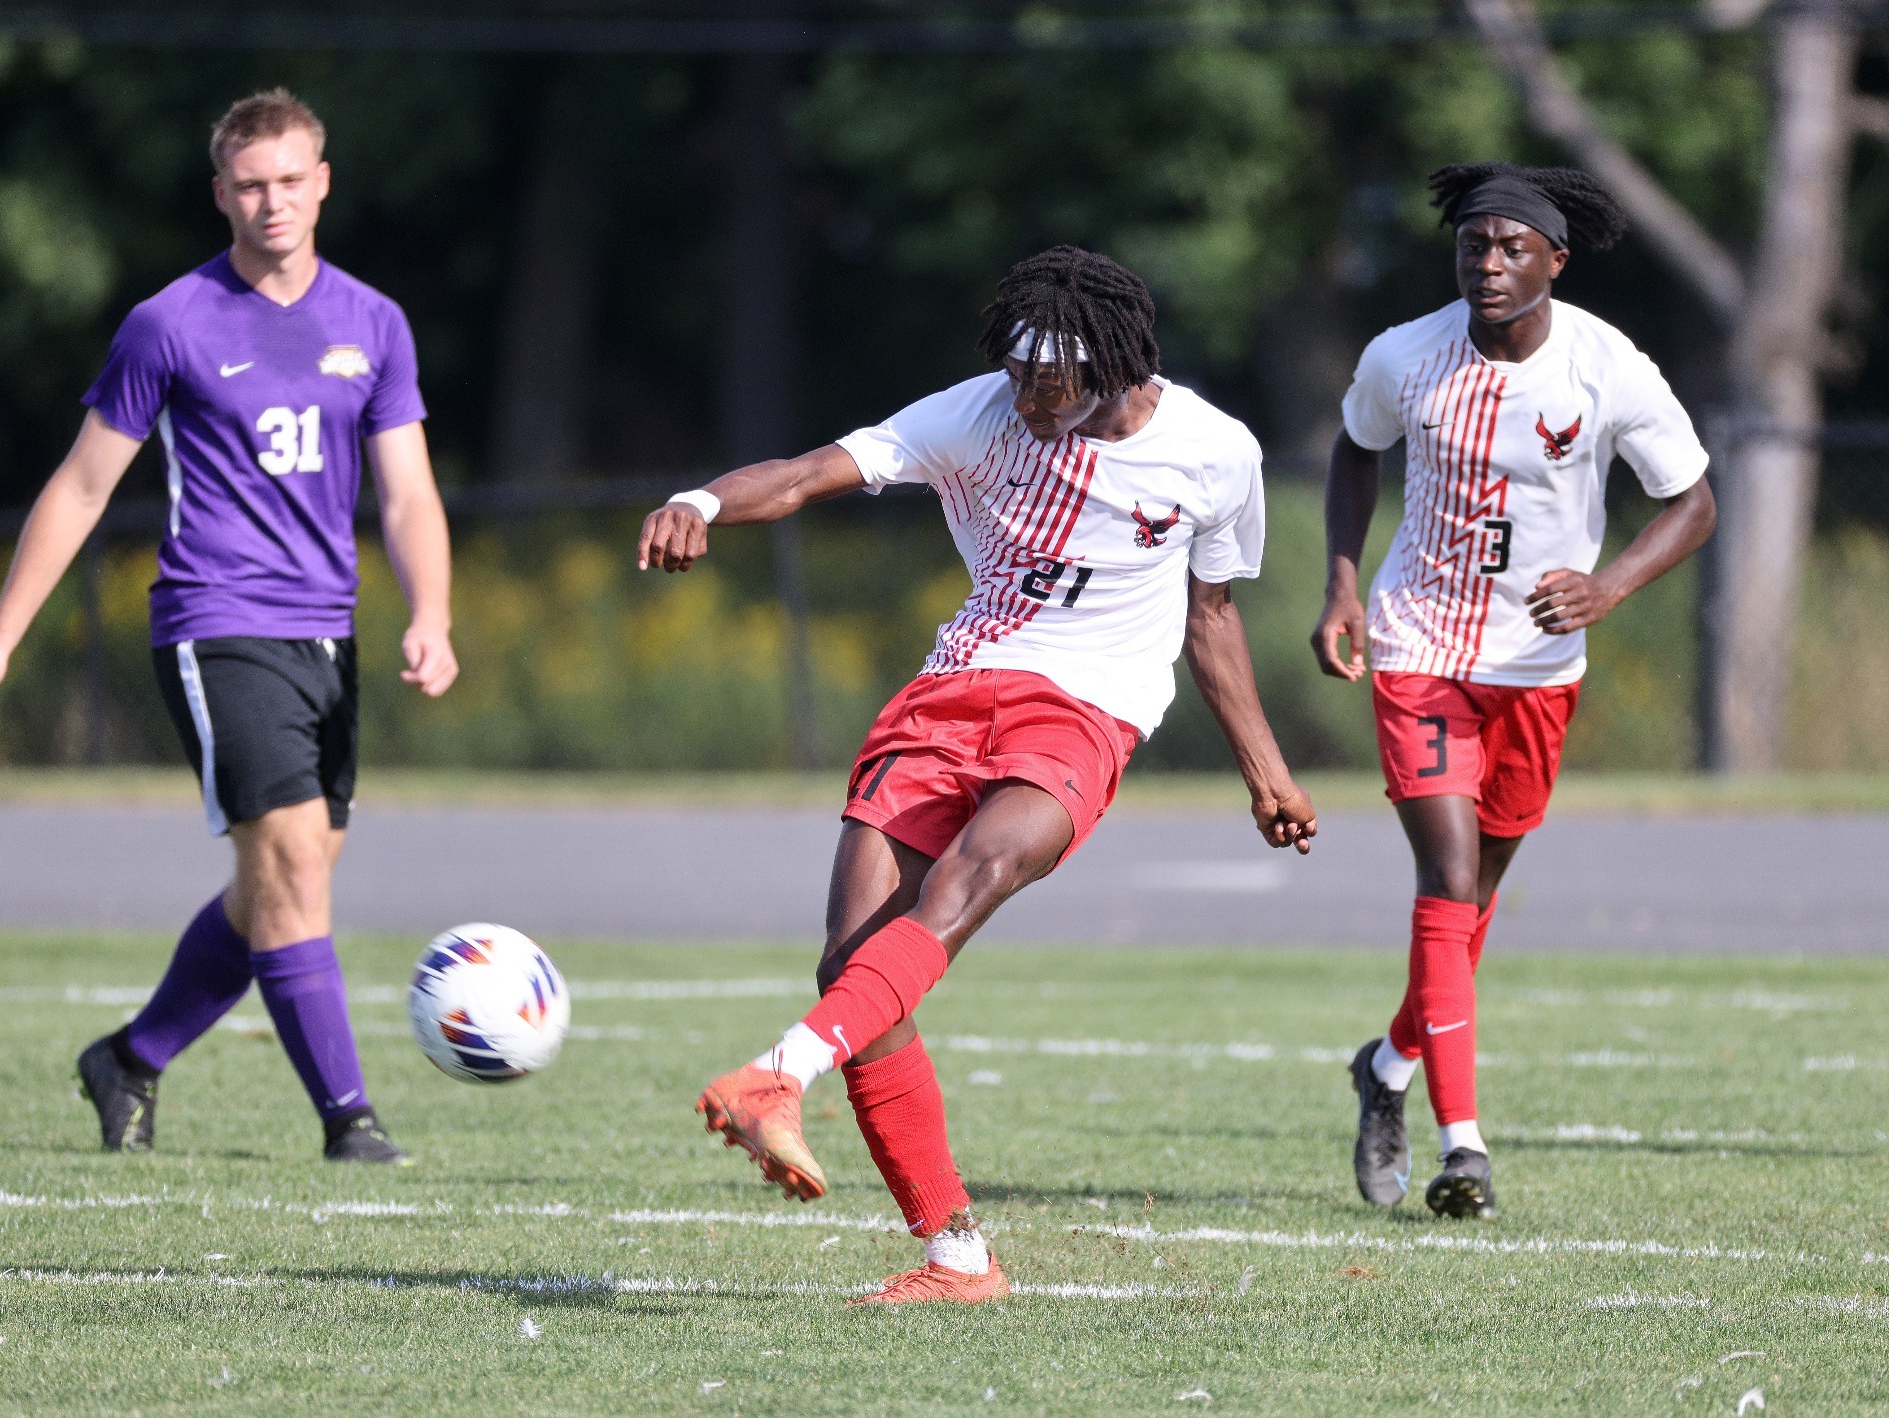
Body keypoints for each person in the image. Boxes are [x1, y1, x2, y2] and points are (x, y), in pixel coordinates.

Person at [637, 246, 1317, 1303]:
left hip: (1087, 709)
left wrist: (1264, 769)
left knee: (974, 874)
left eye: (1054, 387)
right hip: (953, 690)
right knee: (852, 973)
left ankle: (777, 1071)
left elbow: (1212, 614)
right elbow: (810, 471)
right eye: (1018, 379)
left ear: (1121, 368)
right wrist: (701, 501)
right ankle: (958, 1256)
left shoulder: (1213, 452)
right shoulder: (976, 412)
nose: (1030, 403)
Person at [0, 89, 458, 1163]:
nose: (272, 202)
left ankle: (130, 1056)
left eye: (289, 180)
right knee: (286, 865)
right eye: (249, 184)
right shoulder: (168, 323)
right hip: (214, 622)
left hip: (327, 633)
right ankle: (349, 1120)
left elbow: (405, 494)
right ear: (221, 192)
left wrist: (433, 613)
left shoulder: (374, 322)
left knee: (288, 872)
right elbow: (81, 488)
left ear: (322, 183)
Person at [1313, 164, 1716, 1218]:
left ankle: (1388, 1066)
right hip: (1417, 649)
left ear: (1552, 260)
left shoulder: (1605, 366)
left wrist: (1606, 584)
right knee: (1444, 876)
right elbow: (1355, 452)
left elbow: (1692, 503)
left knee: (1475, 897)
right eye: (1470, 247)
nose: (1485, 265)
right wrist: (1344, 581)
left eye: (1508, 249)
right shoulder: (1402, 354)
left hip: (1535, 670)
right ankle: (1464, 1148)